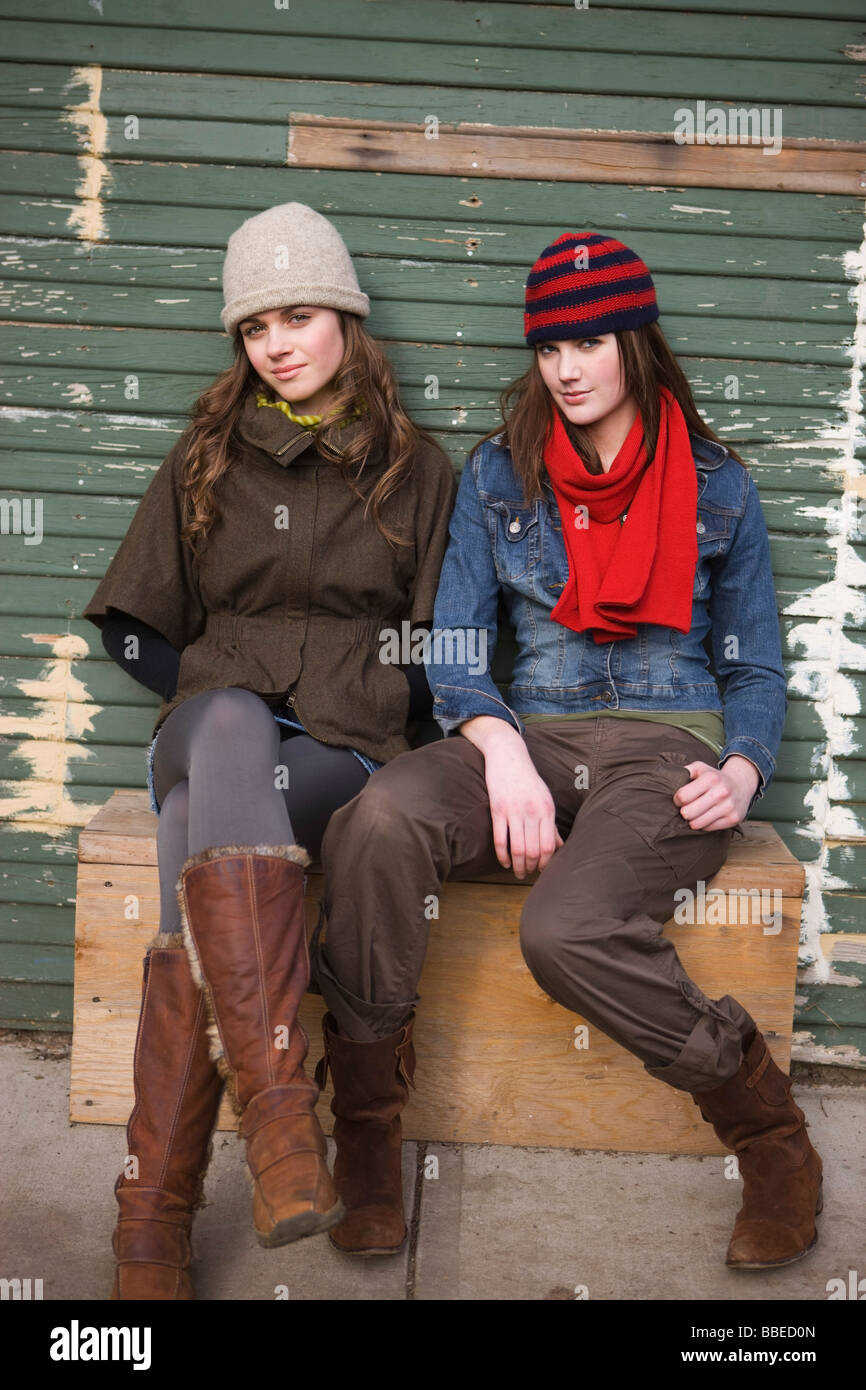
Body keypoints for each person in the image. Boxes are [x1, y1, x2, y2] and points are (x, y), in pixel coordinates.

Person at [311, 232, 823, 1269]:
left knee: (564, 929)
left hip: (662, 747)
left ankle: (769, 1139)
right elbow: (454, 643)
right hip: (530, 735)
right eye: (548, 348)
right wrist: (497, 750)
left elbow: (754, 665)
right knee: (375, 818)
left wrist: (743, 767)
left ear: (634, 342)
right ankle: (365, 1136)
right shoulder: (500, 474)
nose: (566, 368)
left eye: (588, 342)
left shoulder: (719, 486)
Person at [81, 201, 458, 1298]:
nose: (277, 343)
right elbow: (139, 621)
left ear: (345, 315)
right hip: (210, 729)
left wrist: (390, 704)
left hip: (340, 746)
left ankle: (151, 1216)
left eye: (298, 315)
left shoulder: (416, 470)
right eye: (255, 327)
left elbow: (445, 637)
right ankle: (285, 1124)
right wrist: (207, 682)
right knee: (233, 725)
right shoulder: (205, 454)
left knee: (192, 828)